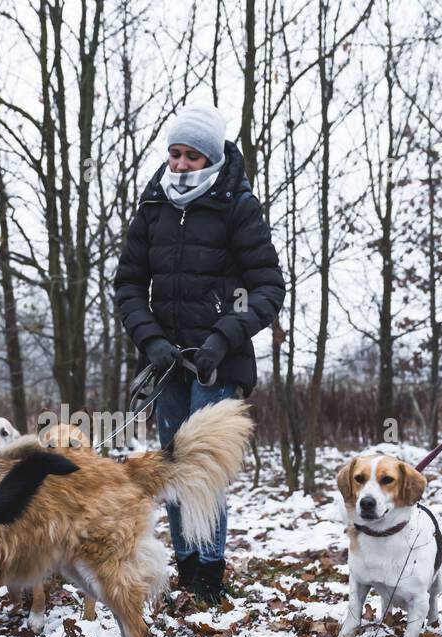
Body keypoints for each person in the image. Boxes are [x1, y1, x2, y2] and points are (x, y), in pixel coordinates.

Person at [113, 104, 285, 605]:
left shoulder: (237, 205)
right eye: (175, 154)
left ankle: (208, 576)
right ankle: (186, 565)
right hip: (166, 365)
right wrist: (150, 341)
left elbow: (269, 287)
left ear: (209, 158)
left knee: (202, 470)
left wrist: (223, 337)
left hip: (217, 363)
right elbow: (127, 283)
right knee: (173, 468)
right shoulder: (152, 205)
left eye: (191, 155)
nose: (181, 164)